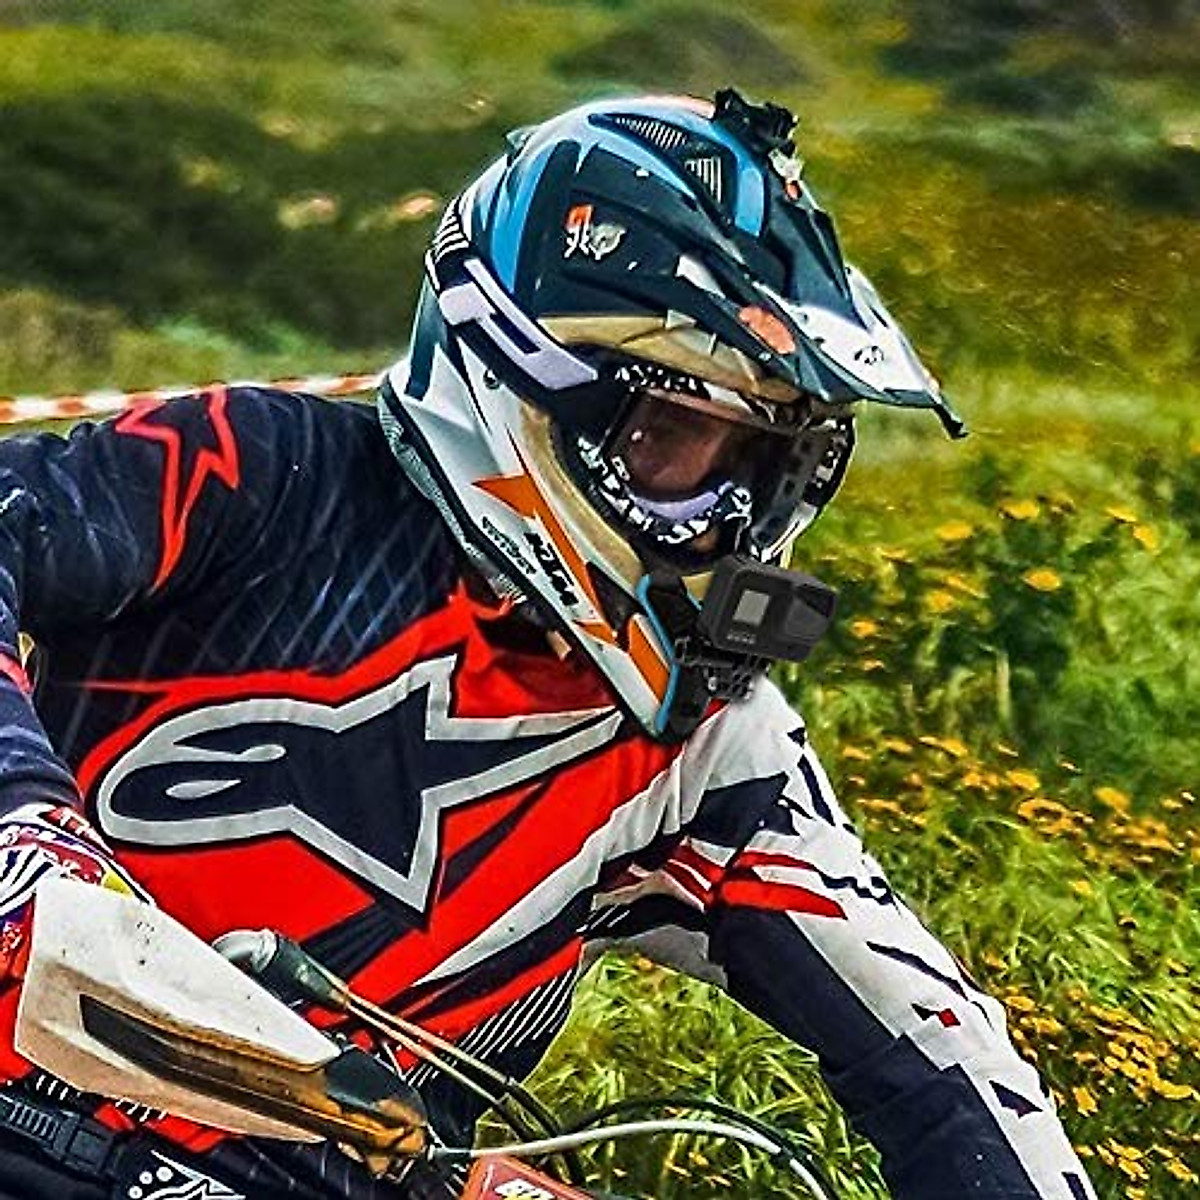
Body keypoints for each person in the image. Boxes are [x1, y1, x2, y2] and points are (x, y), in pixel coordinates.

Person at [0, 90, 1095, 1199]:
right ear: (529, 379)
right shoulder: (261, 474)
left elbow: (948, 1061)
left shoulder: (710, 749)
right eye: (681, 439)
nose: (722, 522)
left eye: (763, 466)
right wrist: (24, 831)